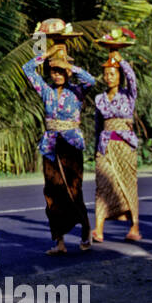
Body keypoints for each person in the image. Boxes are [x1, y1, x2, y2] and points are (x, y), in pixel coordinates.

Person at [23, 46, 97, 254]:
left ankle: (85, 230)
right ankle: (60, 241)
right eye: (54, 71)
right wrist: (46, 55)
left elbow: (91, 80)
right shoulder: (45, 90)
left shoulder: (77, 91)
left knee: (74, 190)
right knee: (52, 193)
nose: (57, 75)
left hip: (71, 144)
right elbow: (27, 69)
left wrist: (69, 65)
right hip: (50, 145)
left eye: (61, 71)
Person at [92, 52, 142, 242]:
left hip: (124, 146)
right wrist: (96, 149)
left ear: (120, 75)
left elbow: (132, 78)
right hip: (105, 146)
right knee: (102, 184)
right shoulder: (100, 99)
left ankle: (134, 226)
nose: (108, 77)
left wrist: (121, 60)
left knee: (129, 184)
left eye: (113, 73)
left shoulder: (128, 95)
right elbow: (98, 126)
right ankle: (99, 228)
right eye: (106, 74)